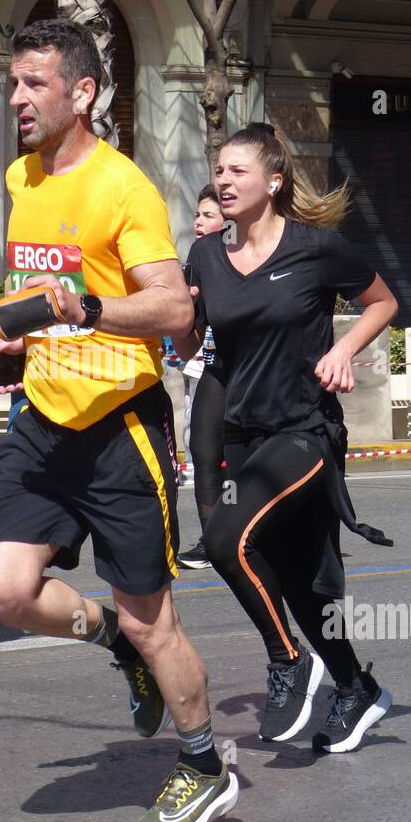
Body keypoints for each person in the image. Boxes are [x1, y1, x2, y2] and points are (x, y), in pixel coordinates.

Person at [0, 18, 236, 822]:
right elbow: (34, 303)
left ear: (82, 92)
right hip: (42, 418)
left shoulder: (125, 188)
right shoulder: (22, 176)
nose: (17, 97)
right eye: (13, 82)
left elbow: (173, 306)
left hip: (120, 428)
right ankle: (106, 640)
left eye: (34, 83)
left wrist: (90, 307)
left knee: (150, 614)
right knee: (2, 587)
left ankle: (204, 765)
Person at [175, 122, 399, 753]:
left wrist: (345, 349)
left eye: (237, 170)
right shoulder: (207, 254)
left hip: (305, 430)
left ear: (273, 182)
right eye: (218, 170)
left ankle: (287, 660)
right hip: (244, 429)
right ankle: (355, 686)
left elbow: (383, 302)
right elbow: (200, 345)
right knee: (295, 577)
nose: (223, 180)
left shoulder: (316, 248)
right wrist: (179, 321)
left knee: (223, 539)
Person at [176, 186, 228, 570]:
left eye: (208, 216)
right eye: (197, 215)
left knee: (229, 457)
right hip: (203, 367)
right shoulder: (197, 258)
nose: (199, 222)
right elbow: (191, 328)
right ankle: (215, 539)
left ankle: (235, 534)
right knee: (201, 449)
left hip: (242, 374)